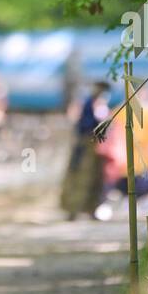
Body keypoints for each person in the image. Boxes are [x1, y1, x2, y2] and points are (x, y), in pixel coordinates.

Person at [60, 81, 112, 218]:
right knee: (82, 178)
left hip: (93, 145)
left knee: (95, 179)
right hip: (87, 145)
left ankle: (90, 209)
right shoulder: (92, 103)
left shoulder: (94, 103)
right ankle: (74, 210)